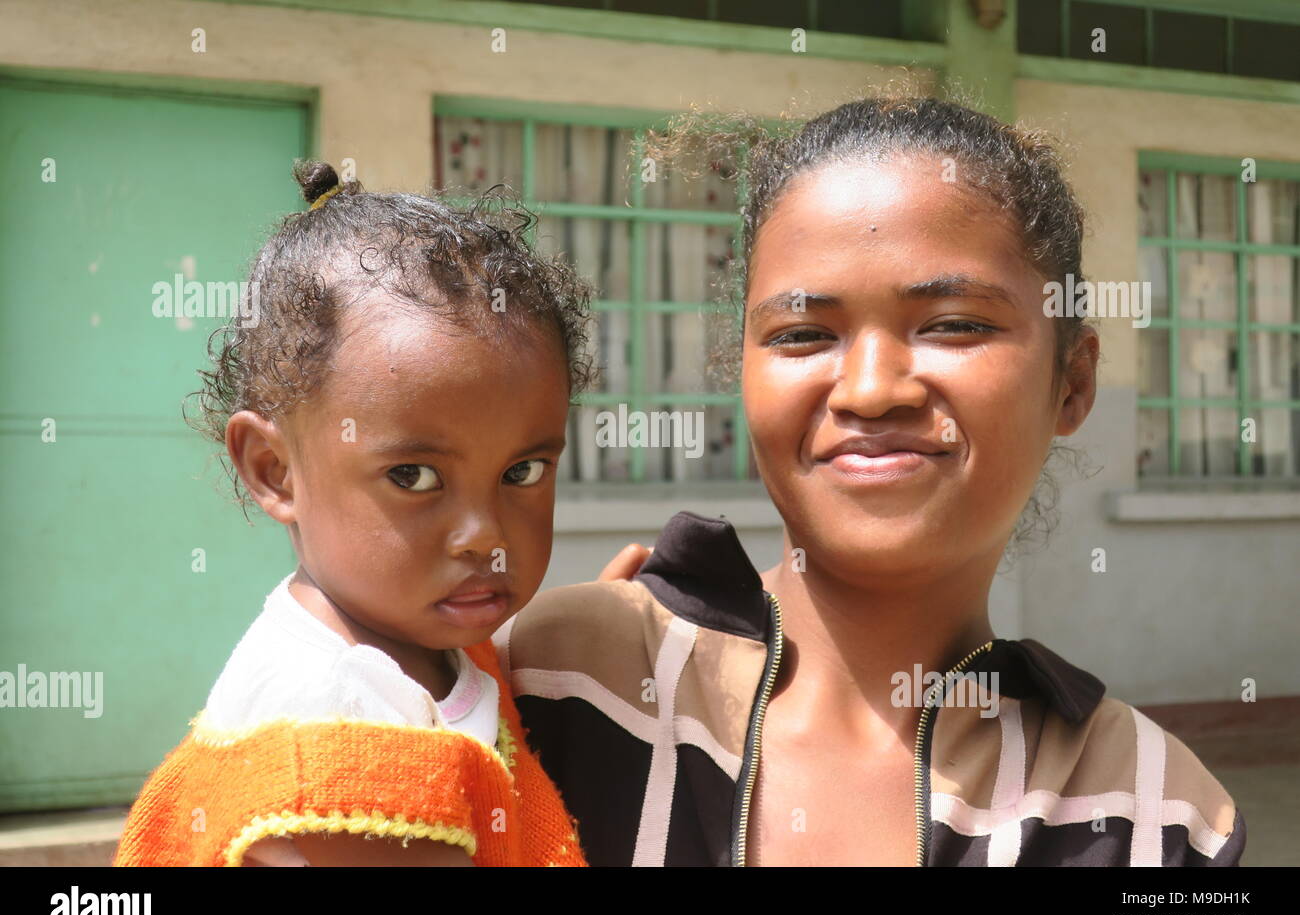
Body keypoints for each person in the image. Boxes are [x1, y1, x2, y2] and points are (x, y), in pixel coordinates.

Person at [493, 97, 1246, 866]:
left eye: (954, 323)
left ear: (1073, 383)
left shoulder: (1156, 814)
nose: (871, 390)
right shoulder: (557, 688)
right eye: (804, 335)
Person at [114, 162, 592, 867]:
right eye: (414, 476)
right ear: (274, 470)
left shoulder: (412, 638)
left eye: (522, 472)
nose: (485, 535)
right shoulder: (338, 735)